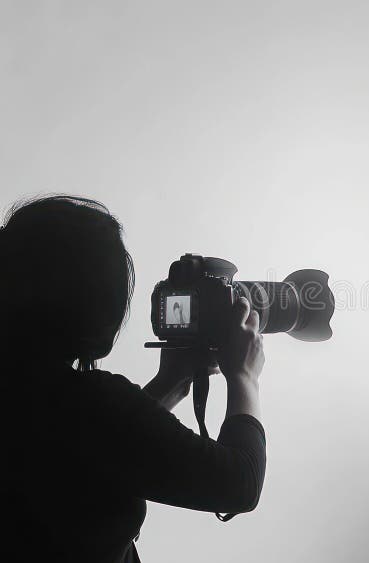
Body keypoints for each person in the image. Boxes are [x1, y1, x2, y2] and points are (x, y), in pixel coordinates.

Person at [0, 195, 267, 562]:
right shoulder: (89, 405)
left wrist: (171, 382)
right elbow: (240, 484)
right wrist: (244, 377)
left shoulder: (30, 392)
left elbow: (82, 454)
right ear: (95, 301)